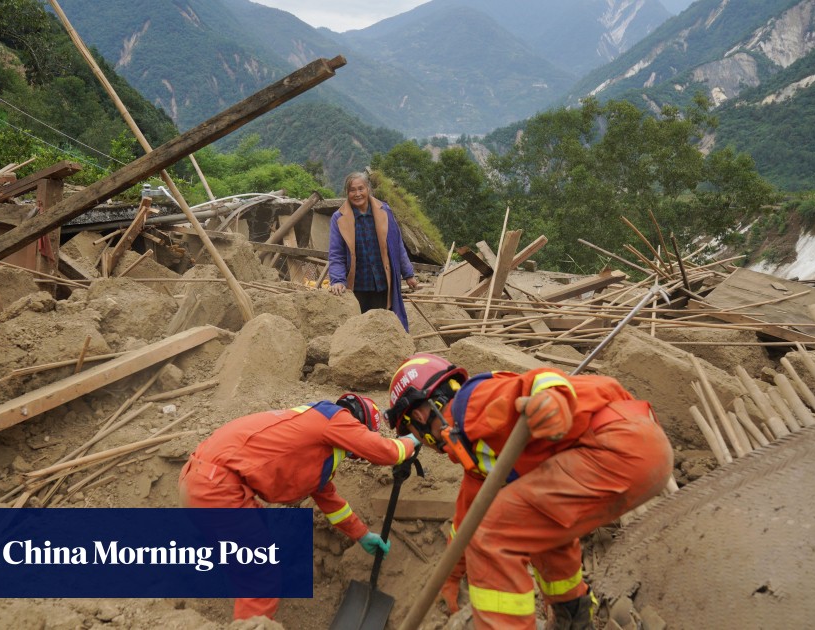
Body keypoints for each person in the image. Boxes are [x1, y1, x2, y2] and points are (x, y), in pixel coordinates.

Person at [384, 354, 673, 630]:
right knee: (536, 529)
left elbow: (538, 380)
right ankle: (572, 617)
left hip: (617, 446)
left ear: (419, 415)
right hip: (637, 450)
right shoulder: (473, 446)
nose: (420, 441)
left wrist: (552, 400)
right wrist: (449, 576)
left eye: (411, 431)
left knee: (493, 535)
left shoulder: (472, 403)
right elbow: (468, 518)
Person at [177, 393, 420, 621]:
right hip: (218, 487)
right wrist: (413, 439)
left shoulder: (311, 441)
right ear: (359, 427)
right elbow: (387, 452)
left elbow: (330, 502)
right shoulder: (337, 418)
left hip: (200, 480)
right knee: (261, 575)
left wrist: (362, 534)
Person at [327, 172, 420, 331]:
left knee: (383, 327)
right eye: (352, 190)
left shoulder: (384, 211)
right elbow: (336, 253)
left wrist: (408, 274)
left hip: (382, 282)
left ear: (368, 189)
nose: (357, 194)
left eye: (361, 189)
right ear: (347, 193)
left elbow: (397, 245)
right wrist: (337, 280)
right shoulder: (339, 218)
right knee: (359, 328)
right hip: (357, 285)